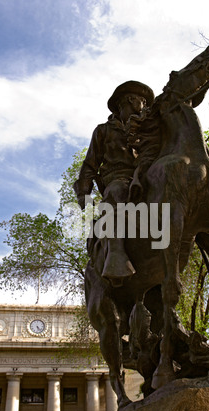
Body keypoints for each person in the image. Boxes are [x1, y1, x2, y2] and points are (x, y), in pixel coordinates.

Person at [74, 81, 155, 286]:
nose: (145, 105)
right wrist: (84, 194)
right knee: (118, 192)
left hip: (146, 178)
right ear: (129, 100)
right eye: (142, 100)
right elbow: (90, 164)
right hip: (117, 178)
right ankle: (116, 256)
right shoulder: (103, 131)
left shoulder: (147, 128)